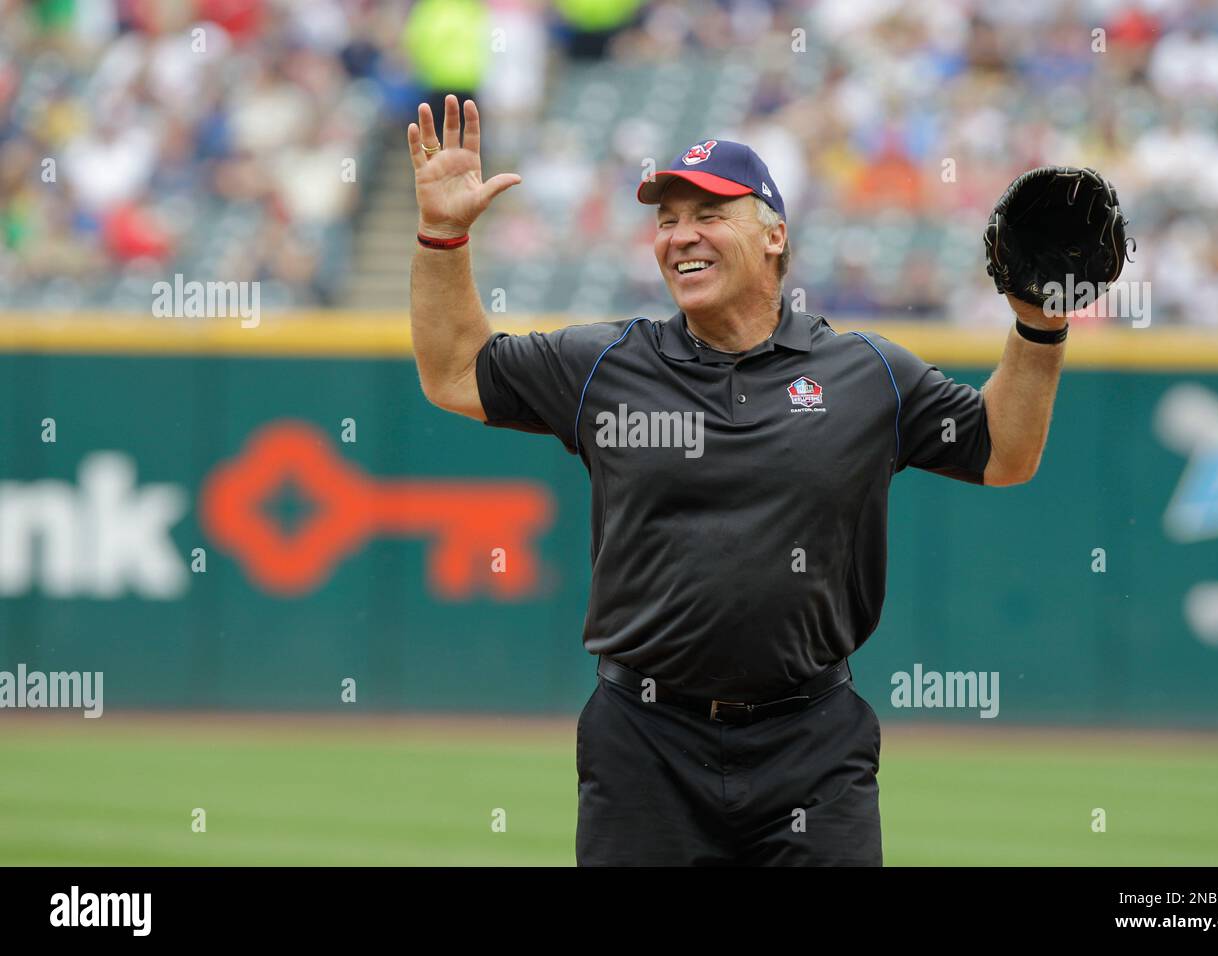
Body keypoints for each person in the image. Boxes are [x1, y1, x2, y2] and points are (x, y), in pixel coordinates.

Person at [408, 96, 1067, 866]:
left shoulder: (865, 376)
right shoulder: (606, 367)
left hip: (812, 748)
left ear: (775, 234)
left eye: (709, 213)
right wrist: (443, 236)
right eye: (666, 219)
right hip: (644, 743)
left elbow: (1005, 452)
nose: (680, 234)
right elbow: (454, 371)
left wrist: (1039, 324)